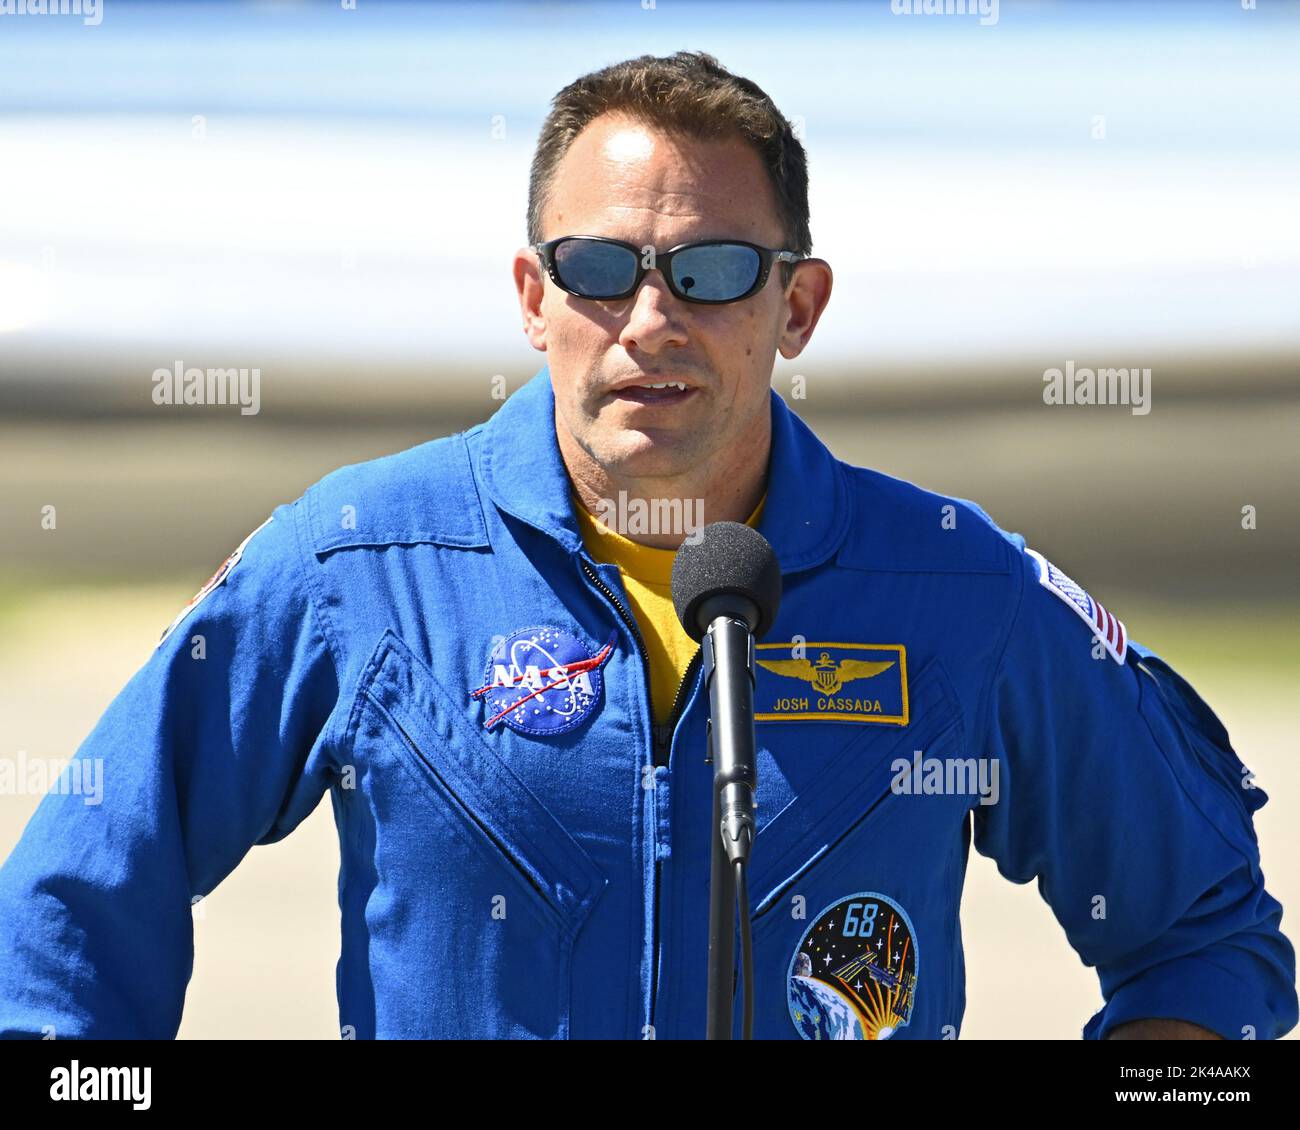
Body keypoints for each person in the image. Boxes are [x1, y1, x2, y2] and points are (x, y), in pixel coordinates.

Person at [0, 51, 1293, 1041]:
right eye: (601, 267)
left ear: (799, 305)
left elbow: (1208, 938)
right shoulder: (354, 566)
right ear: (531, 298)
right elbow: (58, 926)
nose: (651, 318)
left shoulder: (962, 591)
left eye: (713, 269)